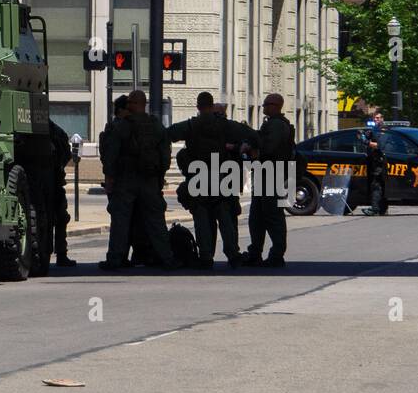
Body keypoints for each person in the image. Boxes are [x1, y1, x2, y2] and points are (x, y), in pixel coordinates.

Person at [164, 92, 258, 269]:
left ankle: (206, 256)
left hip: (198, 178)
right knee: (225, 217)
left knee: (201, 218)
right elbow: (252, 135)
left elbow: (167, 134)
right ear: (211, 105)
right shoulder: (225, 125)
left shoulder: (191, 125)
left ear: (198, 106)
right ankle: (233, 254)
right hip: (222, 177)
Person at [99, 90, 179, 271]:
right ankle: (167, 258)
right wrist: (160, 176)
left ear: (136, 104)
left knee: (120, 221)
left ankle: (115, 259)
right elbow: (165, 155)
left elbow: (111, 155)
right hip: (149, 179)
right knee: (156, 221)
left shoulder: (122, 126)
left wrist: (110, 177)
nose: (127, 105)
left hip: (125, 179)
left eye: (130, 102)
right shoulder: (156, 125)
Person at [242, 93, 294, 267]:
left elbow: (269, 148)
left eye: (266, 104)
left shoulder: (277, 125)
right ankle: (255, 252)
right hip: (266, 174)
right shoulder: (273, 124)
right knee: (257, 216)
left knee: (272, 216)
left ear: (275, 106)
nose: (263, 107)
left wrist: (252, 149)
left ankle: (276, 255)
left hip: (272, 174)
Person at [48, 120, 75, 267]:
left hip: (53, 180)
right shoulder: (55, 130)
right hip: (53, 181)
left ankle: (59, 253)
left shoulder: (54, 131)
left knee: (59, 218)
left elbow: (66, 154)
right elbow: (66, 154)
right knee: (57, 218)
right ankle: (60, 254)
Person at [362, 125, 388, 216]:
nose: (376, 119)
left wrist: (366, 141)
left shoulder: (384, 134)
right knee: (381, 187)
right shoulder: (376, 133)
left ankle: (375, 209)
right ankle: (382, 209)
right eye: (375, 118)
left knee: (376, 186)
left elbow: (379, 146)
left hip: (380, 165)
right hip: (375, 164)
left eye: (378, 118)